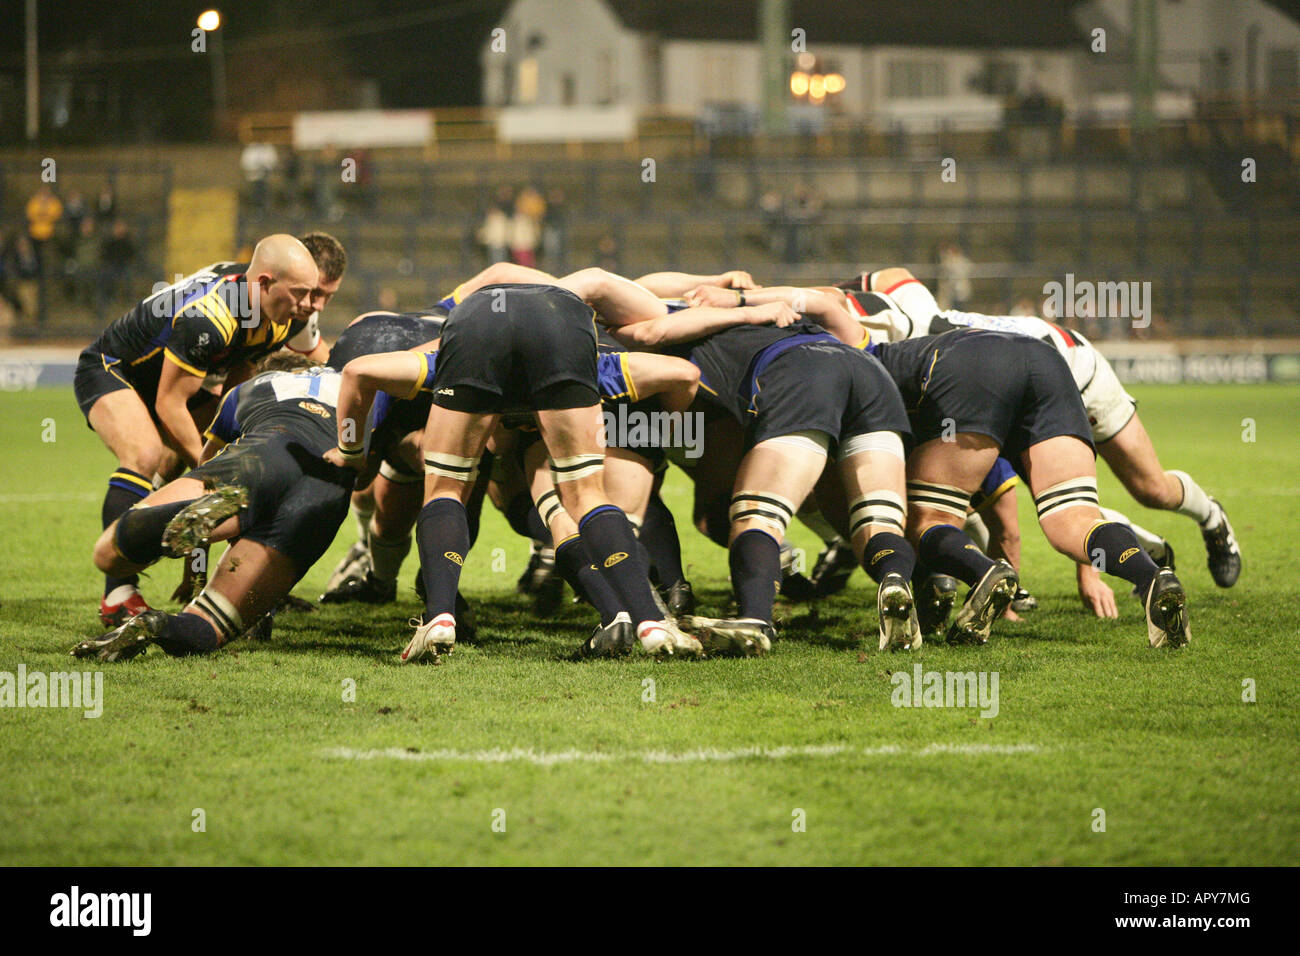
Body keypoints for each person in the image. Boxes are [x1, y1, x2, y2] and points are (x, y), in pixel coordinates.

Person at [327, 280, 705, 661]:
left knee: (445, 489)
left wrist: (350, 449)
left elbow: (359, 372)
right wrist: (660, 440)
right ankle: (650, 622)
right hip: (560, 323)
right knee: (587, 495)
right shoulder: (598, 370)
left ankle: (439, 617)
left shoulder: (446, 364)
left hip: (479, 323)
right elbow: (684, 375)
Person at [73, 234, 319, 626]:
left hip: (171, 383)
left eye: (314, 294)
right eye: (302, 293)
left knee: (208, 466)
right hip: (112, 368)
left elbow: (233, 397)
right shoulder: (210, 316)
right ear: (265, 283)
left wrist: (227, 459)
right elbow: (169, 404)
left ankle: (211, 583)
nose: (310, 306)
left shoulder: (280, 319)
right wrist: (214, 466)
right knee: (146, 455)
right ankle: (118, 594)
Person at [72, 359, 356, 661]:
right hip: (324, 494)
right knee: (209, 626)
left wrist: (196, 570)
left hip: (260, 457)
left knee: (108, 555)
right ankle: (161, 626)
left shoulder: (247, 389)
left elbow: (205, 466)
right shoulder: (361, 388)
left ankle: (185, 522)